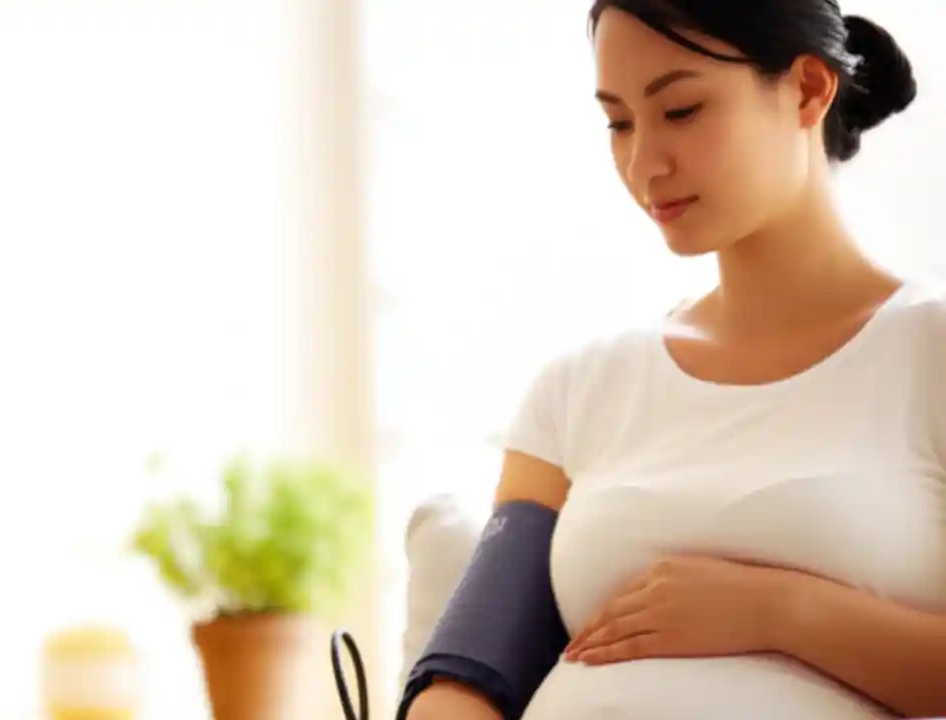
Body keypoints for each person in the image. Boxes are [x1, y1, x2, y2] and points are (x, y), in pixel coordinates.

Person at [401, 1, 946, 718]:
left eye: (682, 110)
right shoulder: (581, 386)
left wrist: (778, 610)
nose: (643, 163)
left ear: (810, 90)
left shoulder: (926, 353)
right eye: (619, 122)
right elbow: (470, 674)